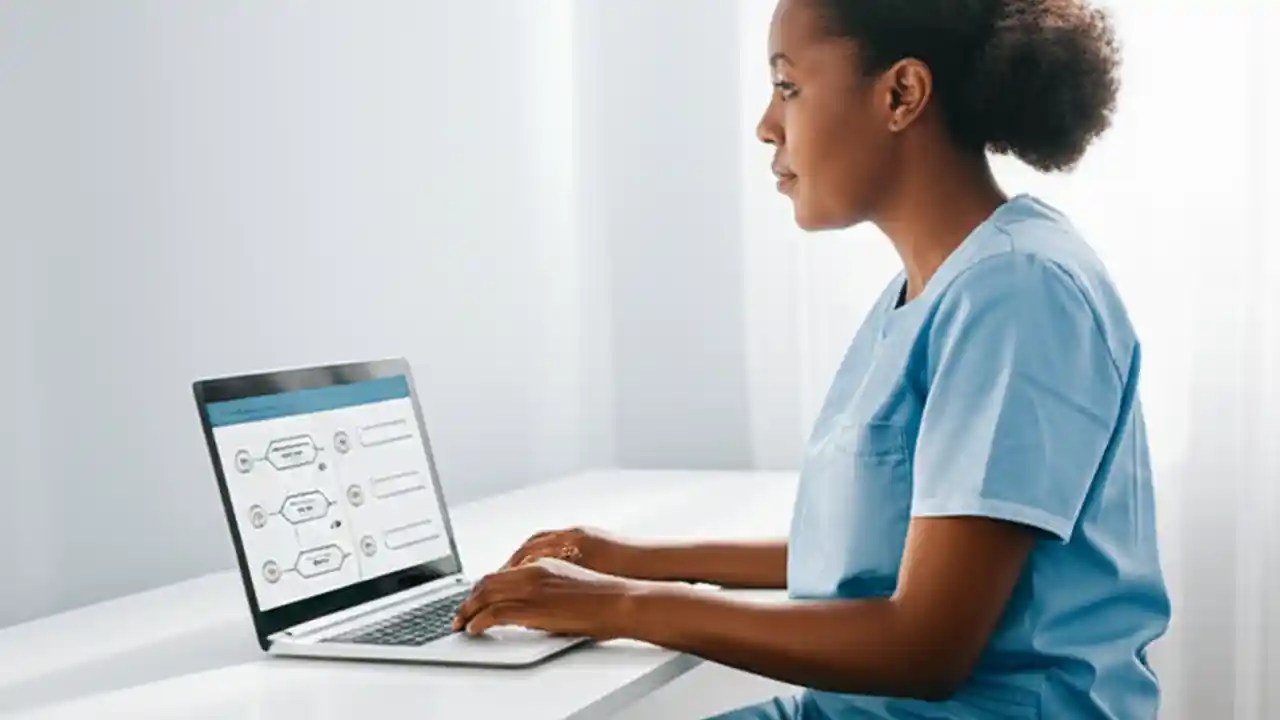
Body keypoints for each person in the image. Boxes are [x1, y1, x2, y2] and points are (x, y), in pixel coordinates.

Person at [453, 0, 1171, 716]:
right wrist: (632, 558)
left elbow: (924, 646)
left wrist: (626, 605)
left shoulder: (1019, 294)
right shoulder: (937, 286)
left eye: (788, 86)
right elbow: (867, 557)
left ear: (901, 95)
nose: (767, 125)